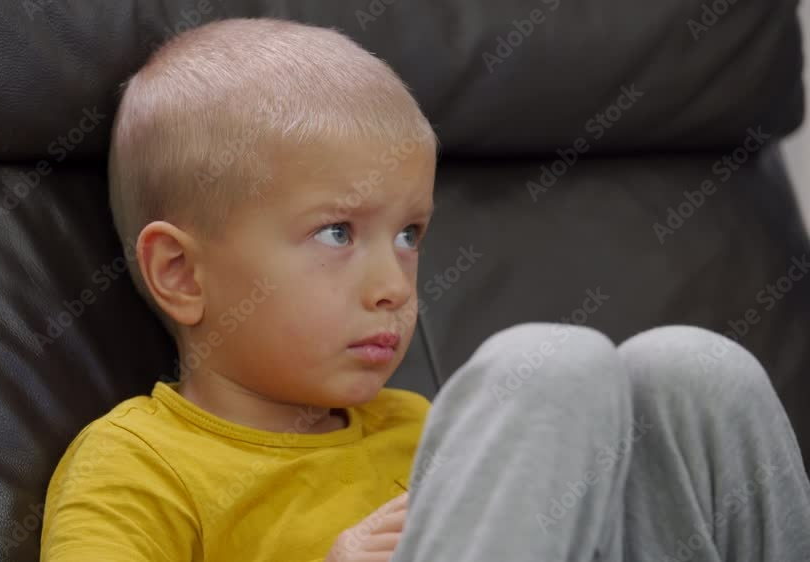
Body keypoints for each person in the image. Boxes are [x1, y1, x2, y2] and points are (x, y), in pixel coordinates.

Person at [40, 17, 810, 561]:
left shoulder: (429, 431)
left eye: (409, 236)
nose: (393, 286)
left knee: (693, 373)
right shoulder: (138, 463)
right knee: (550, 367)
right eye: (336, 233)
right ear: (181, 273)